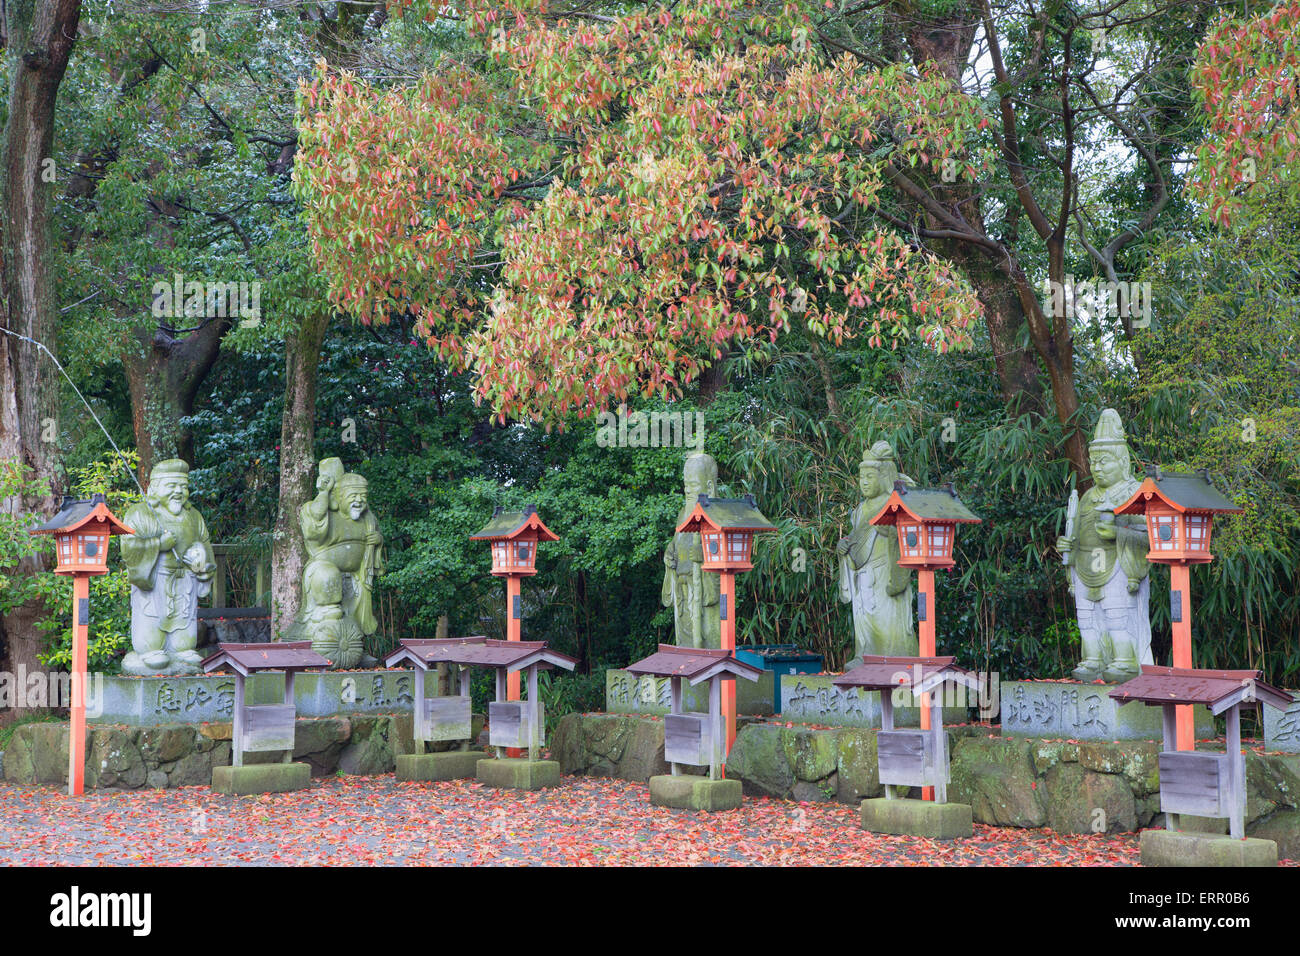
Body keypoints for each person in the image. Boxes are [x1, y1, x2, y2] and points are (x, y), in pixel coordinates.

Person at [1056, 409, 1152, 681]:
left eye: (1104, 462)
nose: (1097, 468)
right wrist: (1068, 545)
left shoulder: (1134, 492)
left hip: (1118, 566)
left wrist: (1119, 533)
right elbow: (1075, 532)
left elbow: (1152, 537)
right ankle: (1093, 660)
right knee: (1085, 619)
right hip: (1084, 565)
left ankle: (1125, 662)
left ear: (1122, 461)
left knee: (1116, 617)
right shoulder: (1087, 497)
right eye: (1094, 462)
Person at [120, 459, 217, 675]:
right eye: (171, 486)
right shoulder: (140, 513)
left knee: (185, 640)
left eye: (183, 487)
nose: (178, 492)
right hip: (155, 582)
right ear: (154, 488)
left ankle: (181, 650)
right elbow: (128, 548)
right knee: (151, 634)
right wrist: (157, 545)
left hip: (184, 582)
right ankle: (150, 650)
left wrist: (201, 560)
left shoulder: (193, 516)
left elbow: (206, 545)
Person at [837, 442, 915, 658]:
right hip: (863, 576)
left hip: (886, 575)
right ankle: (865, 659)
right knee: (865, 627)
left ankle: (896, 661)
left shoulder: (895, 504)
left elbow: (909, 537)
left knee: (890, 627)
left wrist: (890, 532)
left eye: (870, 476)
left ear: (883, 477)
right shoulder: (860, 510)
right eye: (862, 477)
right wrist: (842, 548)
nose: (864, 482)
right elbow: (854, 540)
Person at [662, 452, 722, 648]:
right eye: (686, 485)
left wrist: (704, 557)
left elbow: (722, 558)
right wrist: (669, 557)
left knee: (705, 642)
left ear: (709, 487)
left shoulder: (719, 516)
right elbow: (676, 543)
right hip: (682, 589)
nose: (688, 491)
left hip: (703, 593)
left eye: (694, 486)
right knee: (685, 643)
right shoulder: (683, 514)